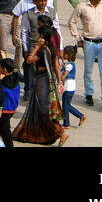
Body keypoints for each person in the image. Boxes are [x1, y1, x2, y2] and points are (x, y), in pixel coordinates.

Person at [12, 18, 68, 146]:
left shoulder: (42, 50)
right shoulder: (52, 49)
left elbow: (29, 60)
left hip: (42, 81)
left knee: (44, 109)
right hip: (49, 80)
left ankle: (61, 132)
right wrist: (59, 81)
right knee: (44, 107)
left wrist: (36, 47)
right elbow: (56, 66)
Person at [69, 0, 102, 109]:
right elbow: (72, 22)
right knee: (88, 70)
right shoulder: (82, 7)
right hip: (89, 43)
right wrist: (78, 38)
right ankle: (89, 94)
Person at [12, 0, 60, 97]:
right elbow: (24, 32)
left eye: (45, 1)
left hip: (49, 46)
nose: (43, 3)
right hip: (34, 44)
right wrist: (26, 48)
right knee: (30, 67)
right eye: (41, 1)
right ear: (36, 0)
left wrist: (59, 48)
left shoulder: (52, 12)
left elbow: (57, 30)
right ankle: (29, 90)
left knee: (48, 68)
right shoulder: (28, 14)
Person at [0, 56, 22, 148]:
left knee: (5, 132)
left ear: (4, 69)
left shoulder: (2, 83)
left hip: (4, 110)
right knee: (4, 130)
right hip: (13, 108)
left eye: (0, 67)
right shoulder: (16, 81)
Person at [60, 45, 86, 130]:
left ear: (69, 55)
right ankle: (79, 117)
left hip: (69, 87)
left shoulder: (69, 66)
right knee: (66, 105)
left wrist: (59, 75)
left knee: (65, 105)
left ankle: (67, 123)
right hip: (69, 87)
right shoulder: (69, 64)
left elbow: (64, 76)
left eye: (65, 53)